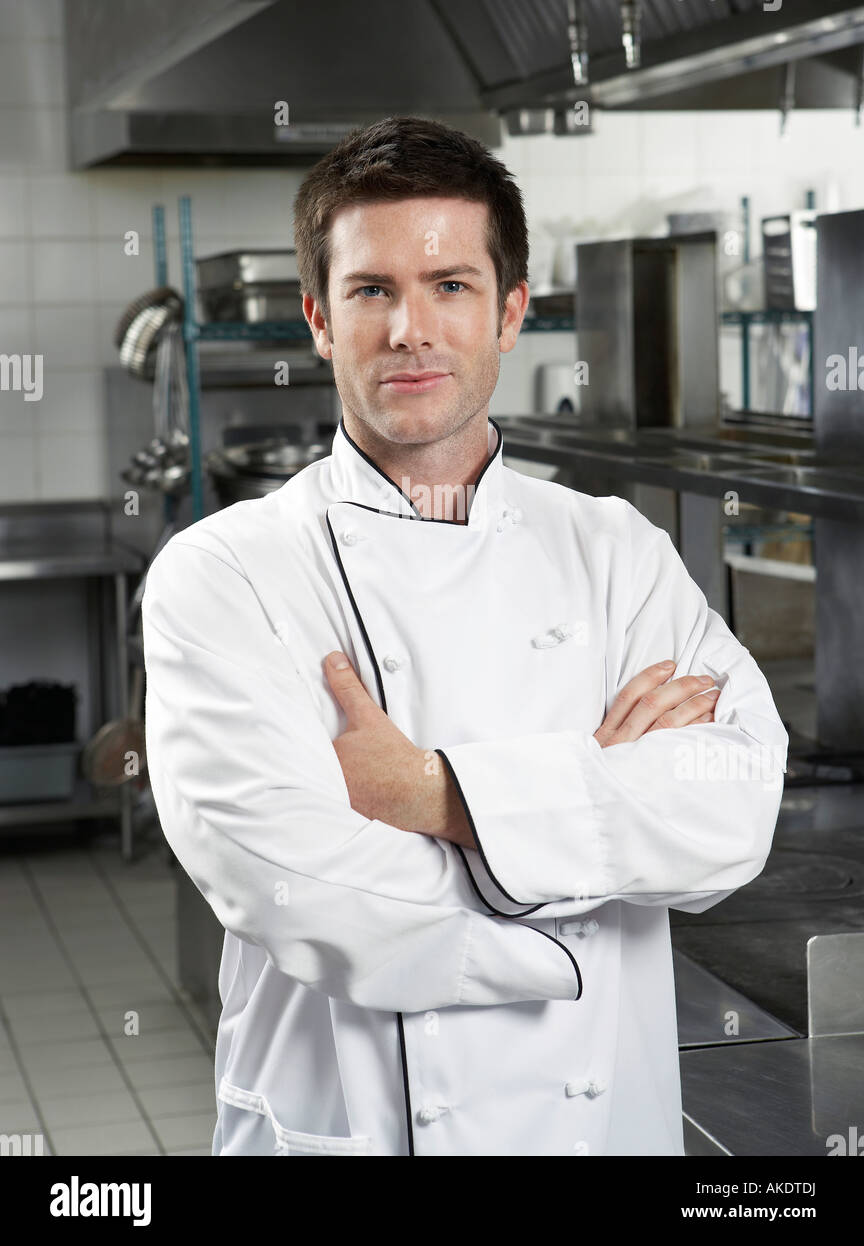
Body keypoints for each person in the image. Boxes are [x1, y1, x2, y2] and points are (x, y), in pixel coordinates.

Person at [141, 115, 787, 1157]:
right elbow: (298, 885)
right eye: (370, 291)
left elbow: (734, 807)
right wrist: (569, 910)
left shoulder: (611, 547)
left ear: (509, 313)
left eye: (449, 285)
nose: (410, 328)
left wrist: (426, 795)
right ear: (316, 317)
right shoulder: (223, 574)